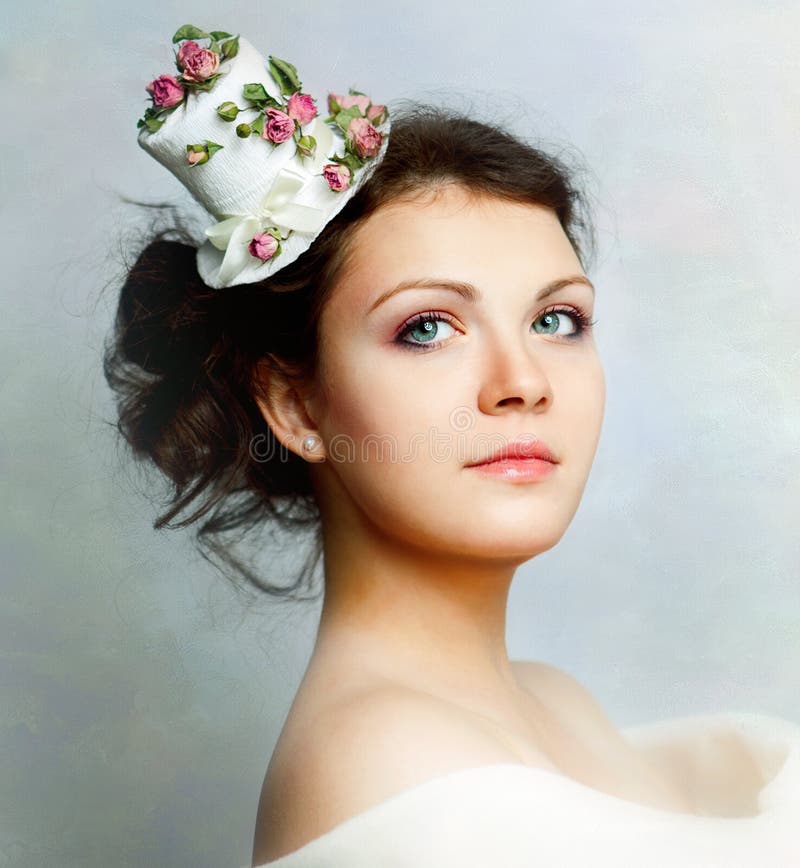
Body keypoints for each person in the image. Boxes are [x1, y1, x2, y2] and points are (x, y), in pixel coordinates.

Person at [105, 25, 800, 868]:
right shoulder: (387, 765)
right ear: (294, 404)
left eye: (557, 320)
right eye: (428, 327)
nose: (523, 380)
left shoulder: (553, 702)